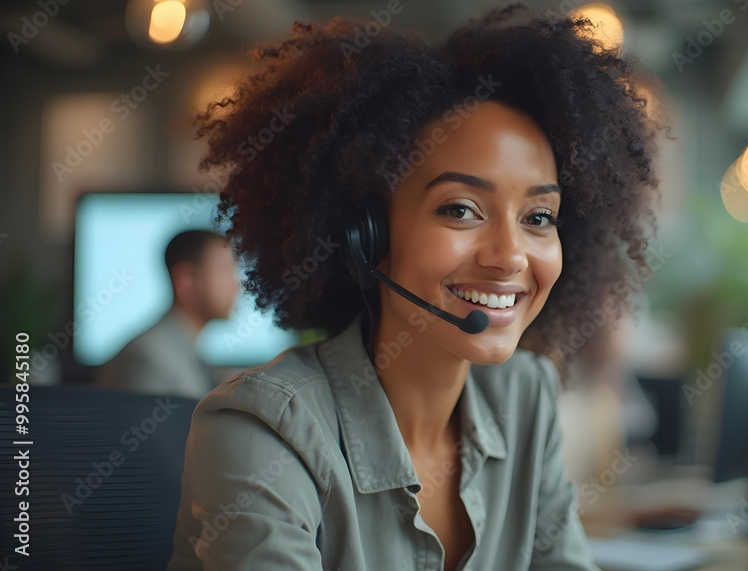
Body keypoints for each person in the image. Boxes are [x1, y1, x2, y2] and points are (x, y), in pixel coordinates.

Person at [167, 4, 664, 570]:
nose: (509, 256)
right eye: (460, 209)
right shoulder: (263, 429)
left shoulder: (526, 397)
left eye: (538, 217)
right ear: (366, 235)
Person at [96, 230, 240, 400]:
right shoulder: (147, 358)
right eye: (225, 271)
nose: (237, 286)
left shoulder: (185, 351)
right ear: (185, 279)